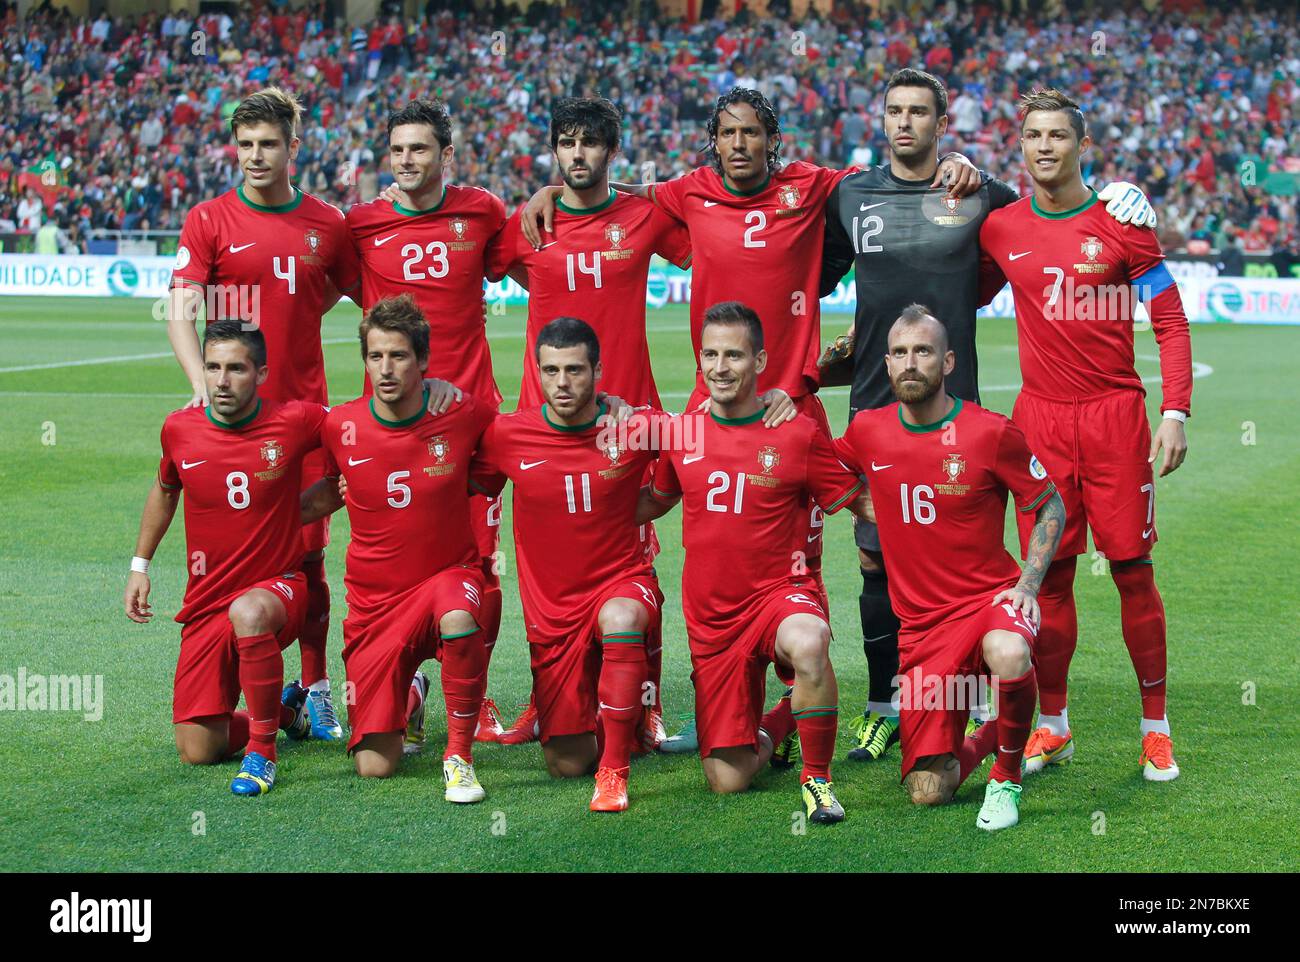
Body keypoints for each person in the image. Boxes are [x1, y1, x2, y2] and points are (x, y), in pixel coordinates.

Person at [818, 67, 1156, 764]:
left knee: (966, 558)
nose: (904, 123)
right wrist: (810, 366)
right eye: (894, 112)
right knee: (875, 561)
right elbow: (807, 272)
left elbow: (1052, 209)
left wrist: (1127, 195)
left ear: (945, 126)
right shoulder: (849, 194)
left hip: (957, 406)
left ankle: (978, 697)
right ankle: (885, 704)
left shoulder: (979, 195)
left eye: (920, 113)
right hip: (876, 404)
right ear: (880, 120)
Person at [979, 88, 1192, 781]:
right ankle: (1054, 725)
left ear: (1081, 145)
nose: (1044, 147)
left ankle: (1155, 729)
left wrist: (1175, 411)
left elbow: (1170, 320)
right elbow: (956, 286)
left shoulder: (1124, 223)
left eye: (1057, 136)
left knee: (1132, 569)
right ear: (1022, 145)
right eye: (1032, 135)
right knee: (1049, 578)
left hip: (1114, 420)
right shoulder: (1002, 227)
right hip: (1040, 423)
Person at [167, 87, 361, 741]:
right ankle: (256, 693)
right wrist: (200, 382)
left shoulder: (327, 224)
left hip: (305, 421)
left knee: (308, 561)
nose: (255, 156)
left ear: (293, 148)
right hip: (236, 426)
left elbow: (352, 290)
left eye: (268, 144)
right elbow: (179, 307)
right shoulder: (209, 220)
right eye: (245, 144)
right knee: (243, 558)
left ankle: (315, 690)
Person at [638, 302, 872, 824]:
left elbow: (860, 500)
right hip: (714, 620)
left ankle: (818, 779)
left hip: (778, 596)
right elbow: (652, 502)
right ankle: (777, 725)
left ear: (760, 360)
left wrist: (946, 517)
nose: (721, 368)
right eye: (711, 356)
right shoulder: (682, 434)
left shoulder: (796, 431)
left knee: (810, 642)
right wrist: (578, 507)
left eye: (734, 356)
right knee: (729, 779)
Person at [834, 306, 1065, 830]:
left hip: (990, 603)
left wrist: (1028, 585)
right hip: (921, 629)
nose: (910, 363)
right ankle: (997, 733)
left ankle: (1006, 780)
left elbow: (1049, 503)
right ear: (886, 364)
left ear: (949, 361)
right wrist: (859, 501)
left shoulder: (990, 432)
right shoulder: (868, 431)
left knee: (1008, 650)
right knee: (928, 791)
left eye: (923, 351)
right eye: (899, 353)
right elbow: (818, 466)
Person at [348, 98, 513, 744]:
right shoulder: (362, 225)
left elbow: (524, 255)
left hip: (473, 432)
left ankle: (476, 693)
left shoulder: (483, 211)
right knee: (399, 566)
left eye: (421, 149)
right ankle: (407, 685)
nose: (408, 160)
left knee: (482, 567)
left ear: (448, 155)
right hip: (396, 434)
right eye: (398, 150)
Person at [470, 317, 669, 812]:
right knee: (565, 763)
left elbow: (706, 435)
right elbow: (464, 479)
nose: (562, 382)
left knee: (622, 620)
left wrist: (655, 499)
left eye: (576, 370)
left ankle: (615, 773)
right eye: (551, 370)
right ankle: (617, 714)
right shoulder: (508, 435)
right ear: (537, 372)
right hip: (554, 615)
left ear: (598, 370)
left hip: (621, 582)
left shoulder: (633, 426)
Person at [301, 295, 493, 801]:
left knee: (457, 614)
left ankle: (459, 757)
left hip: (447, 577)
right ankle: (411, 696)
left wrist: (613, 411)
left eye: (399, 356)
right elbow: (323, 491)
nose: (385, 369)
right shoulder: (339, 426)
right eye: (375, 356)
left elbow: (526, 439)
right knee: (374, 765)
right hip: (374, 604)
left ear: (424, 360)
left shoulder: (463, 412)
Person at [124, 321, 323, 796]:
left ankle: (262, 753)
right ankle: (288, 712)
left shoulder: (297, 420)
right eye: (213, 367)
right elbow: (165, 490)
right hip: (208, 600)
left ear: (261, 373)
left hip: (278, 589)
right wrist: (140, 566)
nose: (221, 379)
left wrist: (316, 503)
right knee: (197, 747)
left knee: (249, 611)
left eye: (236, 368)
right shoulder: (180, 428)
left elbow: (364, 429)